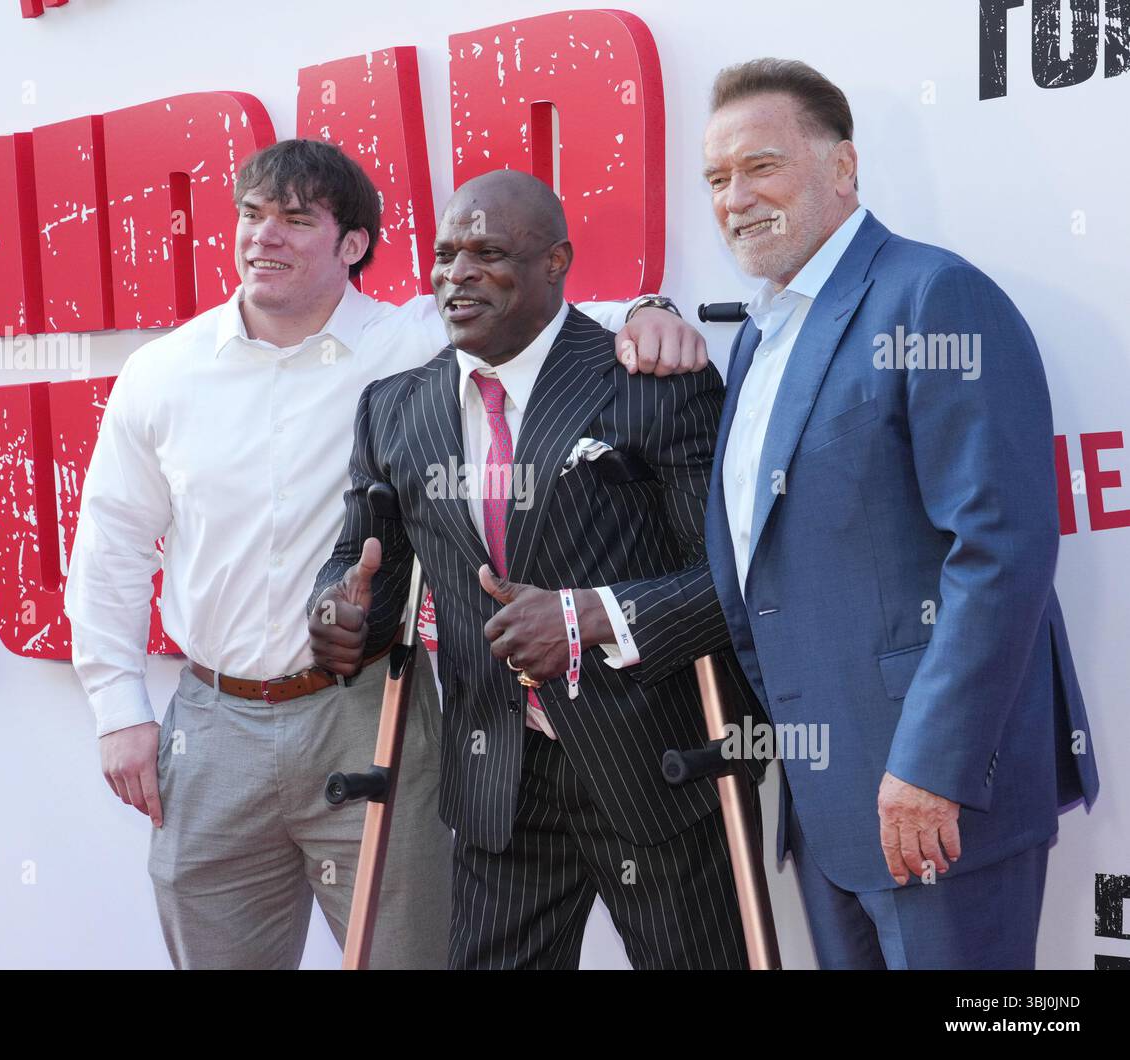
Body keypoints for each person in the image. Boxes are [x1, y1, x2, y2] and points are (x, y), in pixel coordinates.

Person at [63, 138, 709, 969]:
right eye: (253, 216)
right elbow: (112, 545)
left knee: (412, 953)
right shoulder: (161, 372)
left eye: (297, 220)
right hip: (212, 722)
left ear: (354, 245)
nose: (265, 237)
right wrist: (119, 710)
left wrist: (651, 309)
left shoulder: (414, 342)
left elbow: (551, 316)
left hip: (372, 717)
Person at [308, 169, 765, 970]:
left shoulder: (651, 382)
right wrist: (341, 617)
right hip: (497, 786)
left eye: (489, 252)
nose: (459, 274)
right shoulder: (393, 409)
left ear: (557, 262)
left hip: (654, 774)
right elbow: (363, 566)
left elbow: (738, 579)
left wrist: (595, 616)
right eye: (447, 254)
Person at [699, 58, 1099, 969]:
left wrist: (930, 766)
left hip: (937, 800)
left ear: (842, 168)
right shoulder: (761, 335)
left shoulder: (930, 296)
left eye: (762, 166)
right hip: (827, 806)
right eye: (717, 179)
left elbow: (1000, 547)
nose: (735, 198)